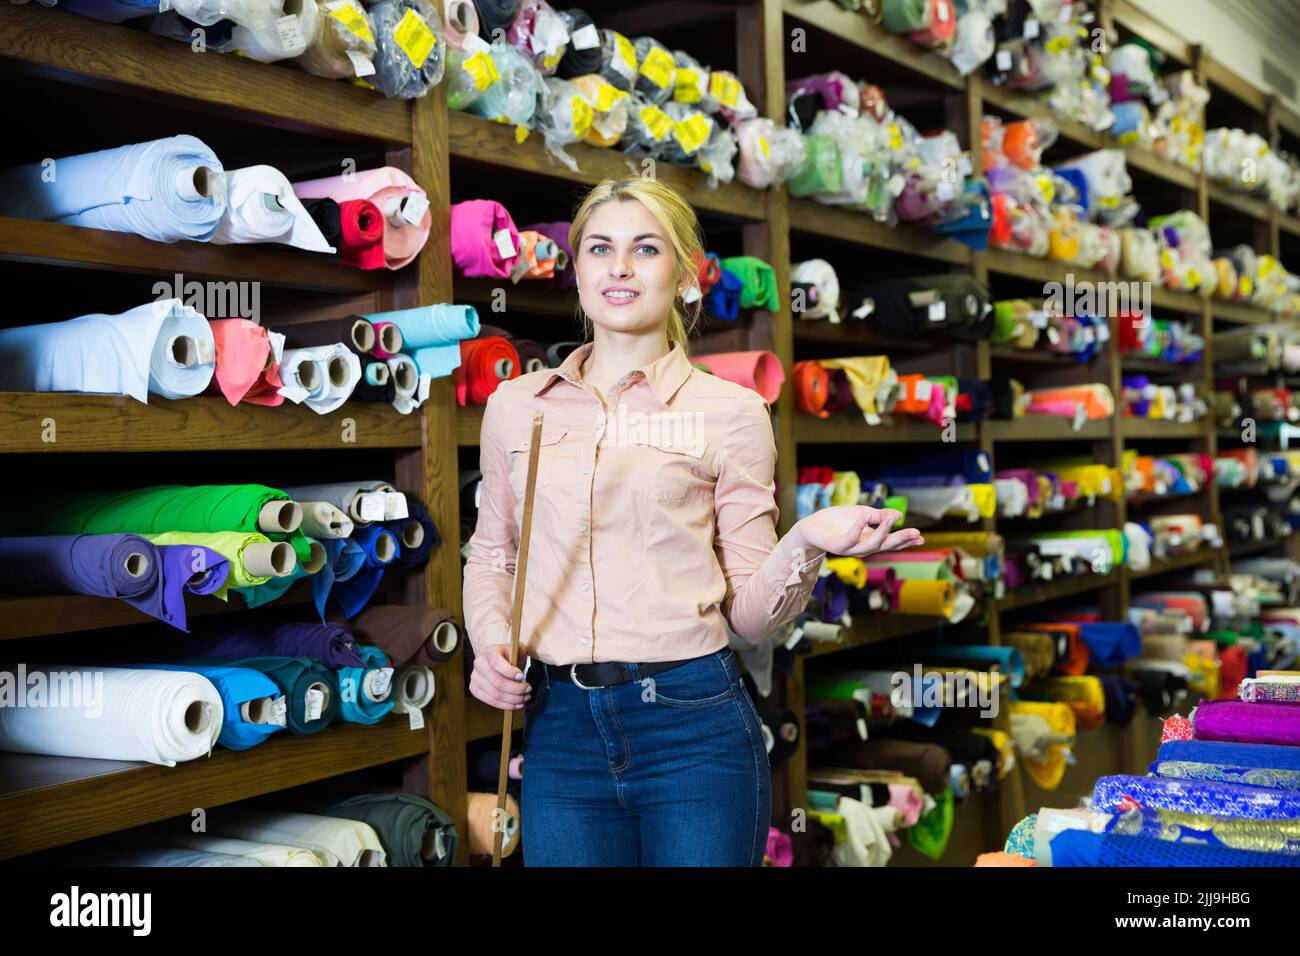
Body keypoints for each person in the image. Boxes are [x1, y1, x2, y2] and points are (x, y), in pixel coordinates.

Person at [462, 176, 924, 866]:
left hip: (692, 727)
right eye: (599, 248)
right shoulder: (515, 406)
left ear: (683, 276)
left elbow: (750, 620)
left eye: (644, 249)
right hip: (557, 729)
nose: (618, 267)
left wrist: (804, 542)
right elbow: (493, 556)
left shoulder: (732, 413)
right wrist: (491, 646)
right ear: (579, 271)